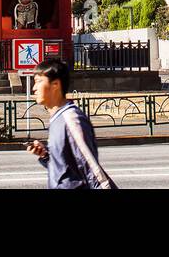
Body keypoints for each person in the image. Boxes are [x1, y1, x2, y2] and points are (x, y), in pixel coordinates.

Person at [25, 58, 116, 189]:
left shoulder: (71, 119)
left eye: (39, 81)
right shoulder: (57, 119)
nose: (34, 88)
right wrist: (45, 156)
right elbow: (65, 170)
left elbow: (92, 170)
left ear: (55, 84)